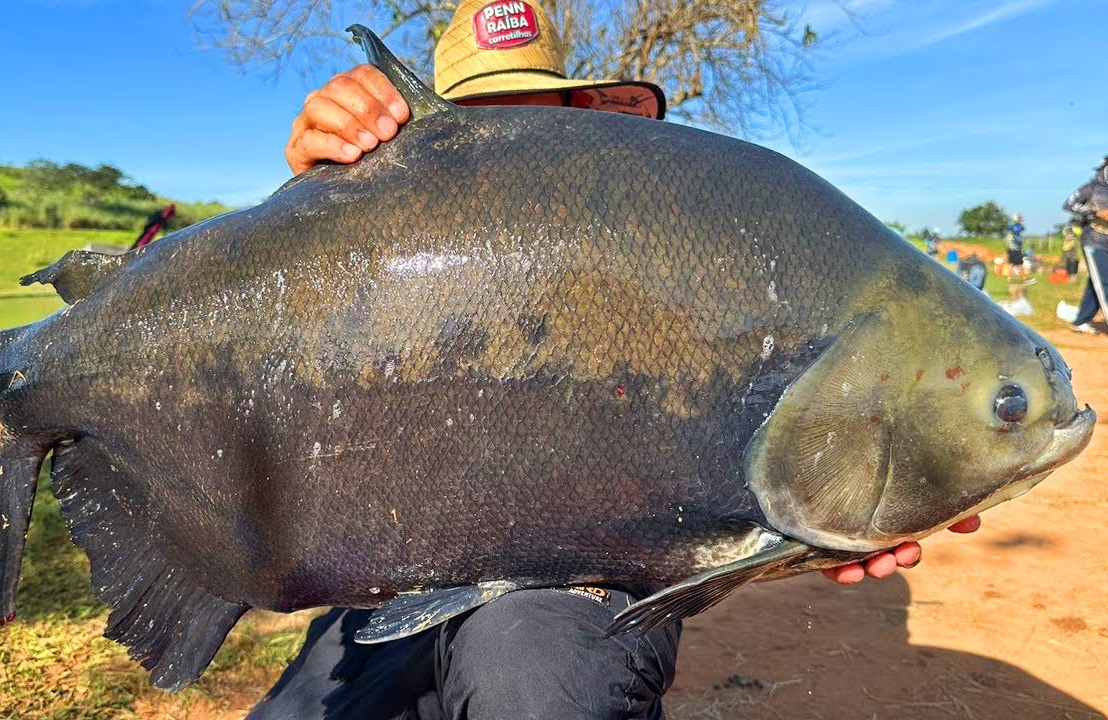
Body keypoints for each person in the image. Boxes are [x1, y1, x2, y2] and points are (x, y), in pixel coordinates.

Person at [258, 2, 981, 716]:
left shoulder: (672, 252)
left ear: (581, 123)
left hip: (583, 581)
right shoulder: (394, 253)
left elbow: (751, 449)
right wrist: (312, 188)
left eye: (535, 120)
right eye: (478, 125)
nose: (508, 149)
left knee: (534, 677)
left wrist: (837, 506)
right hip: (401, 571)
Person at [1065, 155, 1108, 334]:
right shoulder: (1091, 189)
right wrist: (1096, 210)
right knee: (1105, 282)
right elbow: (1069, 204)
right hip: (1094, 241)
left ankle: (1081, 320)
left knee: (1097, 281)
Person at [1006, 214, 1026, 278]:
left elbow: (1022, 228)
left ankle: (1010, 277)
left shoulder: (1015, 228)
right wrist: (1017, 222)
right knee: (1018, 263)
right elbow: (1019, 229)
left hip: (1015, 249)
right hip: (1014, 249)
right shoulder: (1013, 230)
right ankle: (1023, 278)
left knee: (1016, 263)